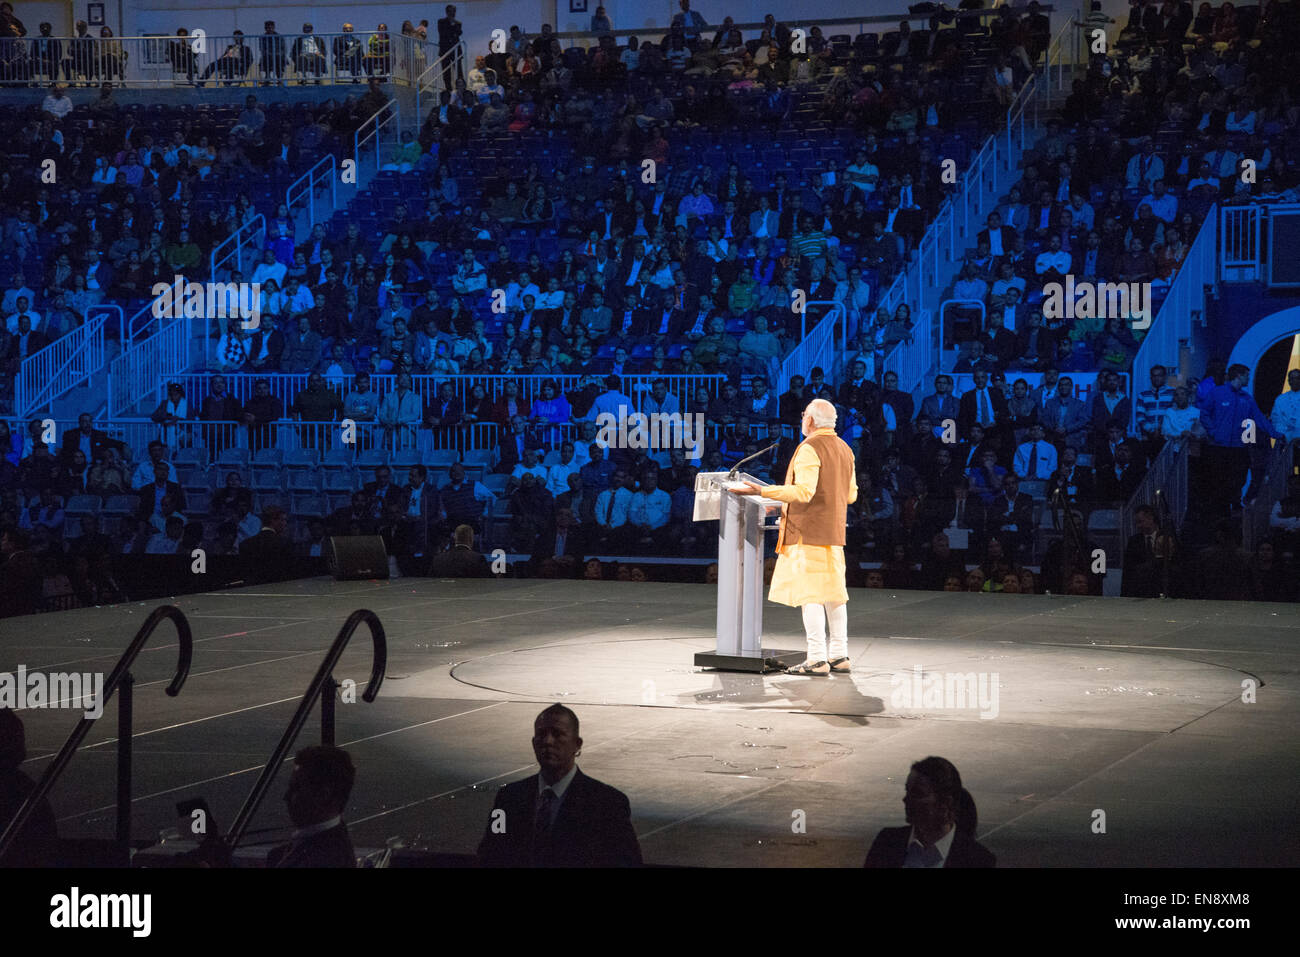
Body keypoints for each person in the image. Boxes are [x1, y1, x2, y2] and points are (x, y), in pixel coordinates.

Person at [734, 398, 857, 676]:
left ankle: (816, 659)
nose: (803, 419)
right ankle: (839, 655)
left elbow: (803, 493)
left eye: (804, 415)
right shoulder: (846, 449)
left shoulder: (809, 448)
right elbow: (851, 495)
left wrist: (761, 491)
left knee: (811, 594)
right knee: (834, 595)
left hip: (809, 532)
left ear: (810, 421)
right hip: (834, 532)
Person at [477, 704, 642, 867]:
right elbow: (490, 852)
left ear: (577, 744)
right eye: (541, 734)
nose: (548, 741)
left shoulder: (608, 804)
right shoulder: (508, 799)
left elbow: (625, 861)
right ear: (534, 743)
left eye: (557, 734)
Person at [864, 756, 995, 868]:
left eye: (918, 793)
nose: (906, 799)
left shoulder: (977, 859)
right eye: (907, 791)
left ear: (945, 802)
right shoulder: (887, 843)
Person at [267, 746, 357, 868]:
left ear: (323, 794)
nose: (286, 797)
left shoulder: (324, 859)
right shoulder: (334, 846)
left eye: (296, 789)